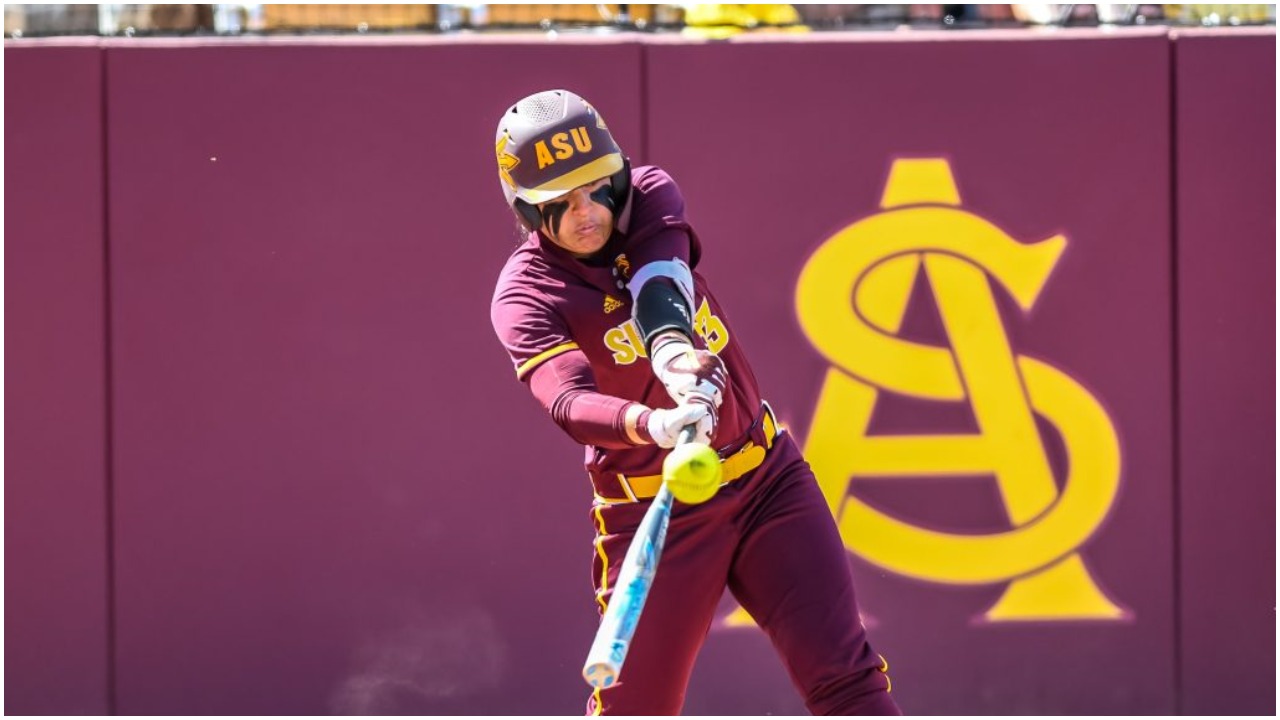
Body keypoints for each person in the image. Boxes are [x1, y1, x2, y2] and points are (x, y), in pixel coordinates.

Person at [489, 89, 900, 716]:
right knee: (637, 709)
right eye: (560, 203)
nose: (590, 212)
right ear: (523, 210)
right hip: (655, 505)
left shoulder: (650, 194)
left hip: (766, 478)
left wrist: (674, 357)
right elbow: (568, 402)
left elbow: (660, 283)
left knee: (845, 676)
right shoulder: (525, 295)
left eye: (600, 187)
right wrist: (651, 422)